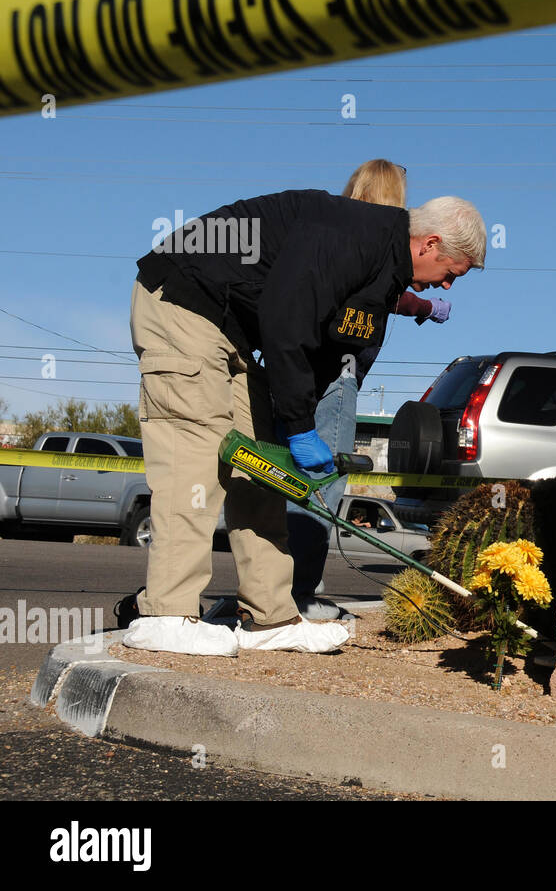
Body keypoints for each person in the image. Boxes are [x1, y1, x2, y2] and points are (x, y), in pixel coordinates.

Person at [122, 188, 486, 656]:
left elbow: (318, 340)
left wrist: (290, 425)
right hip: (183, 305)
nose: (447, 286)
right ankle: (167, 615)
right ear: (430, 244)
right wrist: (299, 426)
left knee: (259, 467)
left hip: (231, 329)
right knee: (193, 460)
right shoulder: (351, 237)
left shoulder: (383, 264)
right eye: (451, 273)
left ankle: (270, 618)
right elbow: (286, 320)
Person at [287, 160, 450, 619]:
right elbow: (388, 293)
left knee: (286, 480)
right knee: (323, 484)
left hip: (297, 369)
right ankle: (299, 598)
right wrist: (426, 305)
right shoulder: (376, 242)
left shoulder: (327, 230)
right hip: (336, 374)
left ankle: (271, 592)